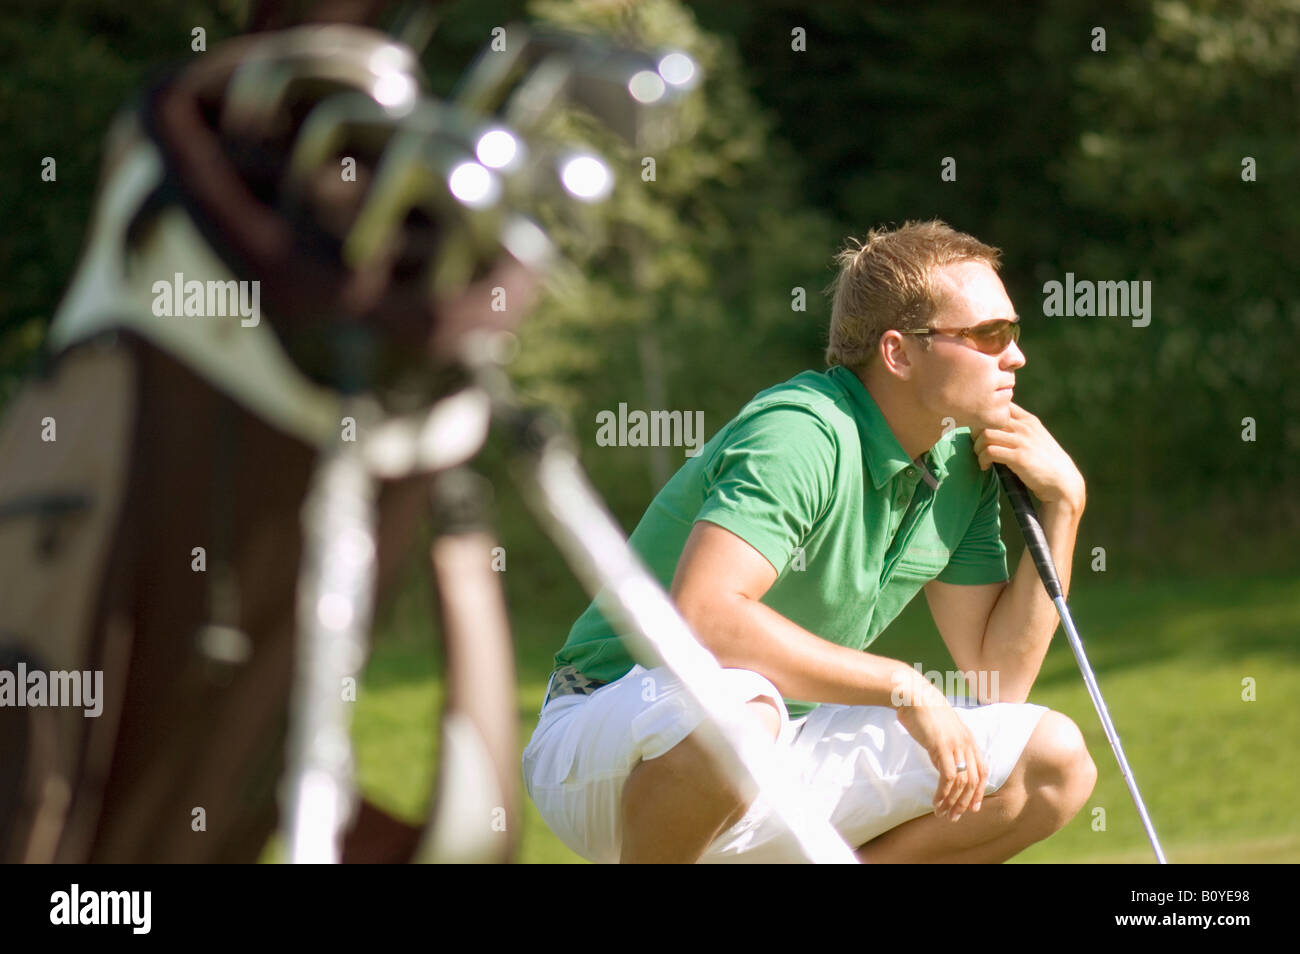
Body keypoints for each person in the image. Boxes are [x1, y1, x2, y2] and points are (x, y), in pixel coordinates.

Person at [522, 219, 1096, 863]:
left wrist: (1063, 508)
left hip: (778, 739)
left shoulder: (962, 461)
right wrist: (903, 683)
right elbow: (704, 618)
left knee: (1053, 762)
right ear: (898, 353)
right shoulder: (802, 432)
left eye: (1012, 333)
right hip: (610, 738)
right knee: (740, 710)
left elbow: (1000, 680)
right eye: (988, 335)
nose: (1014, 355)